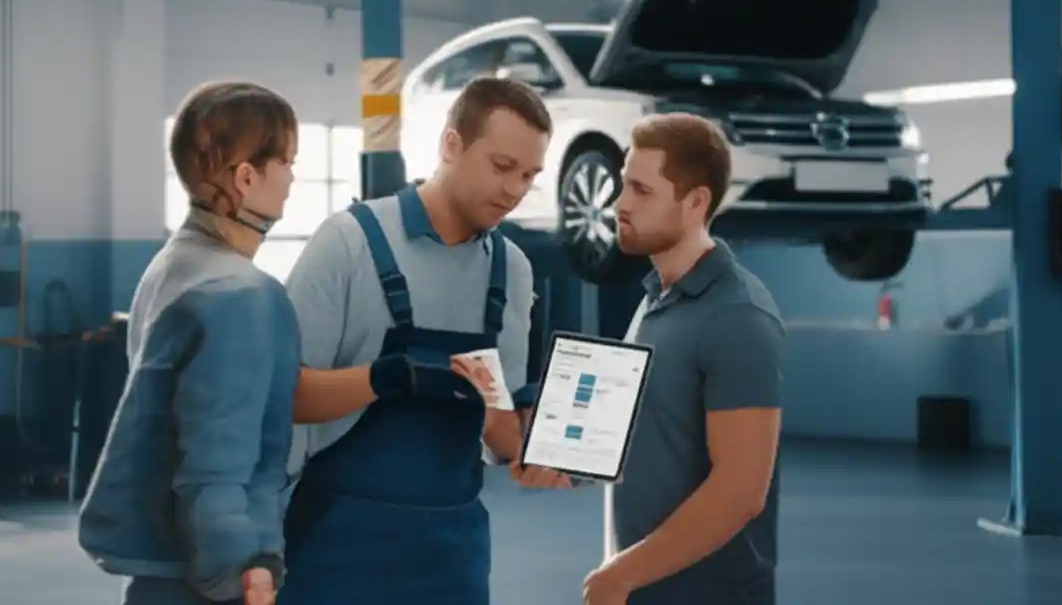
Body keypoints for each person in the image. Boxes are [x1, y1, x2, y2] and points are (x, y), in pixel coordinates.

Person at [277, 76, 572, 605]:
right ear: (451, 145)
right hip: (336, 547)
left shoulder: (512, 269)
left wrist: (543, 454)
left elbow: (500, 425)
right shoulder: (348, 242)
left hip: (452, 558)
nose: (514, 189)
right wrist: (383, 378)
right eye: (502, 166)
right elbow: (286, 396)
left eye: (529, 175)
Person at [78, 81, 302, 605]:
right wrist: (243, 574)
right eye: (287, 162)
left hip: (157, 577)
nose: (293, 177)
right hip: (210, 579)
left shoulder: (168, 269)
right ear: (247, 177)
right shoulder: (242, 295)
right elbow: (215, 470)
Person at [582, 113, 785, 605]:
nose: (620, 204)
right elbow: (645, 435)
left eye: (641, 190)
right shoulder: (656, 298)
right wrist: (560, 462)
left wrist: (621, 575)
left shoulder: (737, 315)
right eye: (623, 185)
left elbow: (741, 489)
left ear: (695, 202)